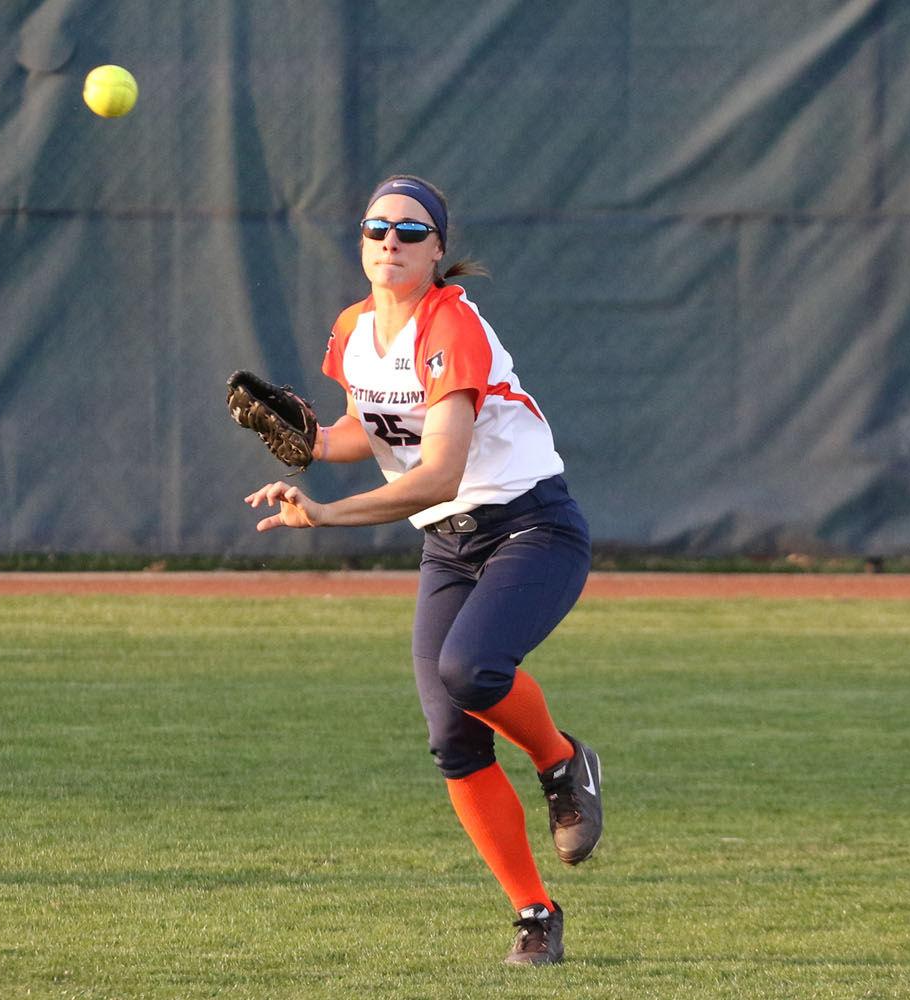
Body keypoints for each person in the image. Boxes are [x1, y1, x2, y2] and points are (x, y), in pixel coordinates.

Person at [244, 175, 601, 966]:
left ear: (438, 250)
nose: (390, 243)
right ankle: (535, 915)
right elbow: (365, 432)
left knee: (472, 669)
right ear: (361, 244)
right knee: (452, 738)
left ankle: (561, 760)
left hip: (531, 525)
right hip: (449, 543)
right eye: (376, 229)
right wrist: (310, 440)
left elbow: (439, 471)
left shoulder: (452, 324)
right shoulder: (353, 331)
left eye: (410, 232)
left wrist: (329, 514)